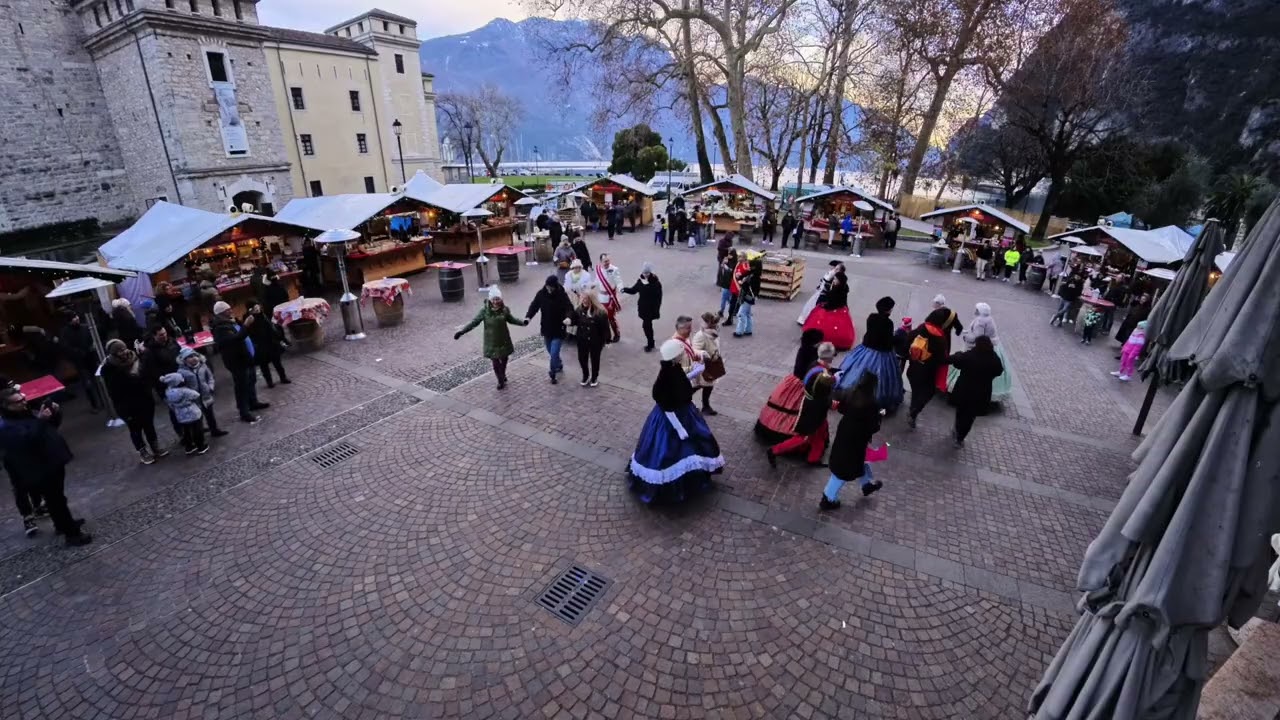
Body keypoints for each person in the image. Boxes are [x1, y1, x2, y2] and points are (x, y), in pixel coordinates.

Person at [626, 339, 724, 504]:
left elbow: (679, 382)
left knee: (693, 446)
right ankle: (675, 486)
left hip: (684, 412)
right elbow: (667, 405)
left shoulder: (672, 369)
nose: (683, 355)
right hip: (673, 419)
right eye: (680, 354)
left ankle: (691, 478)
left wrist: (694, 372)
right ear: (674, 357)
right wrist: (679, 428)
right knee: (671, 451)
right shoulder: (666, 377)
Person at [0, 387, 91, 546]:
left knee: (57, 498)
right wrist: (41, 420)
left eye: (23, 398)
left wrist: (54, 414)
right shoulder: (7, 426)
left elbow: (49, 428)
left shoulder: (26, 413)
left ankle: (62, 524)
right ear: (6, 406)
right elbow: (27, 442)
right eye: (18, 402)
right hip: (40, 468)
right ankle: (72, 534)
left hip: (52, 461)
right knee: (56, 500)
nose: (23, 402)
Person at [819, 370, 885, 510]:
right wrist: (879, 416)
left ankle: (866, 484)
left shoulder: (850, 392)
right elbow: (873, 426)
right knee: (843, 469)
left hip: (845, 432)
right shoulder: (872, 403)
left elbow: (841, 409)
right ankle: (828, 497)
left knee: (855, 461)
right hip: (858, 438)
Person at [765, 342, 837, 467]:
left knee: (820, 432)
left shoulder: (814, 366)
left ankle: (813, 458)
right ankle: (774, 450)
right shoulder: (822, 375)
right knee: (803, 436)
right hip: (815, 408)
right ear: (829, 358)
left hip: (810, 404)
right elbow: (823, 396)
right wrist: (833, 403)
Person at [101, 338, 169, 463]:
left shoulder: (135, 358)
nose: (124, 352)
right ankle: (142, 451)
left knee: (149, 424)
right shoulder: (109, 367)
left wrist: (147, 387)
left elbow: (146, 374)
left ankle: (155, 446)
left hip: (144, 398)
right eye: (119, 351)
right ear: (113, 353)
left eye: (124, 348)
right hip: (127, 404)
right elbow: (114, 390)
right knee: (135, 429)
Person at [754, 328, 824, 444]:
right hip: (803, 383)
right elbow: (805, 371)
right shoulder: (811, 352)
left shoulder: (804, 349)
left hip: (795, 381)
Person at [835, 296, 904, 412]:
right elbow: (887, 341)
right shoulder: (888, 323)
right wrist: (899, 336)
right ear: (889, 310)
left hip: (866, 350)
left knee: (855, 370)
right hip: (882, 354)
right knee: (882, 377)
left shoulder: (871, 318)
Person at [454, 286, 528, 390]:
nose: (495, 301)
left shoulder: (504, 310)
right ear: (490, 299)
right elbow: (474, 323)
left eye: (497, 299)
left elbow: (512, 320)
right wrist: (461, 332)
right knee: (495, 363)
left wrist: (522, 323)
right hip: (491, 342)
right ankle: (500, 380)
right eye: (493, 299)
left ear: (501, 299)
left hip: (504, 340)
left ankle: (502, 374)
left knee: (504, 359)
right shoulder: (484, 311)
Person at [211, 301, 268, 423]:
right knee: (241, 385)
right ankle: (244, 411)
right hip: (236, 360)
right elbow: (236, 338)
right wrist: (246, 326)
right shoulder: (220, 328)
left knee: (251, 379)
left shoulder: (230, 321)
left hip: (245, 356)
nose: (231, 311)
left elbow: (242, 330)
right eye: (228, 310)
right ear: (221, 313)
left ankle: (253, 402)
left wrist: (251, 315)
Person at [945, 302, 1013, 404]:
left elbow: (977, 337)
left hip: (980, 348)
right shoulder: (989, 318)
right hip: (992, 345)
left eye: (976, 309)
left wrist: (966, 337)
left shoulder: (980, 321)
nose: (975, 311)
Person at [947, 335, 1005, 448]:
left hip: (964, 389)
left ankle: (956, 429)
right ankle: (960, 437)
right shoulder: (993, 358)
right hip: (981, 393)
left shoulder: (970, 355)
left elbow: (957, 363)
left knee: (961, 411)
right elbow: (999, 371)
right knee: (970, 417)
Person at [905, 308, 954, 429]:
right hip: (928, 372)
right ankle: (914, 411)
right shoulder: (940, 338)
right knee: (929, 392)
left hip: (914, 368)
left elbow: (908, 339)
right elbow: (942, 359)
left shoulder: (922, 327)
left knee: (916, 391)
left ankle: (913, 410)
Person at [525, 275, 573, 383]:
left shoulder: (561, 294)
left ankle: (553, 373)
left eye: (551, 287)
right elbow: (534, 306)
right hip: (546, 328)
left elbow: (569, 307)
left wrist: (568, 317)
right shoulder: (541, 294)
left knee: (554, 351)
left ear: (555, 286)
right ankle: (559, 364)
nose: (549, 289)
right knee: (550, 350)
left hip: (559, 328)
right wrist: (528, 317)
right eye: (547, 286)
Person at [55, 312, 103, 412]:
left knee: (97, 382)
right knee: (88, 384)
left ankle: (102, 401)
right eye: (73, 318)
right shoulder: (65, 332)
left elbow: (92, 340)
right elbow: (66, 347)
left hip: (90, 358)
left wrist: (91, 348)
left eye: (76, 316)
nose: (76, 319)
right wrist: (78, 352)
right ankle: (94, 404)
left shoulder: (85, 328)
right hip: (80, 361)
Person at [800, 269, 856, 351]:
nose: (834, 280)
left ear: (840, 281)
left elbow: (834, 301)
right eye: (834, 279)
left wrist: (825, 306)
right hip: (837, 308)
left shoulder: (837, 290)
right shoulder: (843, 288)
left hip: (832, 309)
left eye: (836, 279)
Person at [177, 347, 225, 438]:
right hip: (194, 399)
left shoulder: (203, 366)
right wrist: (188, 394)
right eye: (190, 357)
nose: (194, 358)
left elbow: (210, 377)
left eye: (195, 355)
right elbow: (182, 386)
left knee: (210, 415)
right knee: (197, 418)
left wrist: (210, 387)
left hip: (206, 396)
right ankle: (199, 435)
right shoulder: (182, 372)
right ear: (184, 360)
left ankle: (214, 430)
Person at [245, 300, 290, 388]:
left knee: (277, 362)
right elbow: (250, 332)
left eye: (257, 305)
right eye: (255, 307)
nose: (257, 308)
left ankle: (283, 377)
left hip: (271, 343)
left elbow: (271, 328)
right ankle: (269, 382)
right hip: (260, 345)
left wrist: (281, 338)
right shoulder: (249, 318)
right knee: (264, 365)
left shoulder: (263, 315)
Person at [569, 292, 610, 387]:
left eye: (585, 298)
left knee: (595, 359)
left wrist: (607, 340)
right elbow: (574, 320)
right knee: (582, 358)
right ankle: (585, 375)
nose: (583, 300)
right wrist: (570, 321)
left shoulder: (599, 313)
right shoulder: (579, 310)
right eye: (582, 298)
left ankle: (594, 376)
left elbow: (605, 328)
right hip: (582, 339)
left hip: (595, 340)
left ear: (590, 299)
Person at [161, 373, 208, 455]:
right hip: (193, 413)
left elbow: (170, 404)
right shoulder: (185, 391)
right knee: (197, 430)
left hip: (180, 415)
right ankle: (201, 446)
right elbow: (196, 395)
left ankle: (189, 447)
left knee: (186, 431)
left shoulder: (168, 392)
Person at [622, 262, 663, 352]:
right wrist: (624, 289)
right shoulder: (641, 280)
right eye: (644, 273)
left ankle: (650, 344)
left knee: (646, 326)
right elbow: (633, 290)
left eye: (647, 273)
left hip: (651, 308)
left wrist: (657, 308)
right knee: (647, 326)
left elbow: (659, 297)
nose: (646, 275)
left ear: (650, 273)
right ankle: (650, 343)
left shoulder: (656, 282)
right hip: (643, 307)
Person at [691, 312, 723, 415]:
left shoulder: (713, 333)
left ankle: (706, 406)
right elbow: (695, 351)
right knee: (699, 384)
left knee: (709, 384)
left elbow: (715, 346)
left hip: (712, 364)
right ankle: (683, 401)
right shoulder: (701, 335)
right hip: (703, 365)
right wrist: (704, 355)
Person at [797, 261, 841, 326]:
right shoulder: (830, 272)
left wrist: (825, 287)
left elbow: (829, 282)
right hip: (820, 291)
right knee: (812, 304)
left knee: (818, 307)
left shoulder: (834, 274)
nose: (831, 267)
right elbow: (823, 280)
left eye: (833, 266)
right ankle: (805, 319)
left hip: (824, 293)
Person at [594, 253, 623, 343]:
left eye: (608, 261)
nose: (607, 263)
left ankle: (616, 333)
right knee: (602, 317)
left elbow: (618, 280)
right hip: (601, 297)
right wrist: (591, 285)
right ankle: (606, 336)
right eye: (605, 261)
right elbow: (597, 280)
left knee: (610, 317)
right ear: (601, 261)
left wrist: (621, 288)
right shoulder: (598, 269)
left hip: (611, 297)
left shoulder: (614, 269)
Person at [732, 253, 756, 338]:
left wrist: (741, 282)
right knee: (748, 313)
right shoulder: (753, 275)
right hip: (750, 296)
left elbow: (746, 284)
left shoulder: (749, 275)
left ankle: (739, 332)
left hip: (747, 295)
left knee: (741, 314)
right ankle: (748, 329)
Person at [716, 251, 738, 324]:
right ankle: (727, 310)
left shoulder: (735, 263)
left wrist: (726, 267)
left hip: (730, 283)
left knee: (726, 298)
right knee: (726, 298)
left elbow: (732, 272)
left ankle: (724, 311)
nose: (728, 256)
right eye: (728, 254)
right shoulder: (727, 260)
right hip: (725, 282)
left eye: (730, 254)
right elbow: (721, 270)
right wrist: (723, 263)